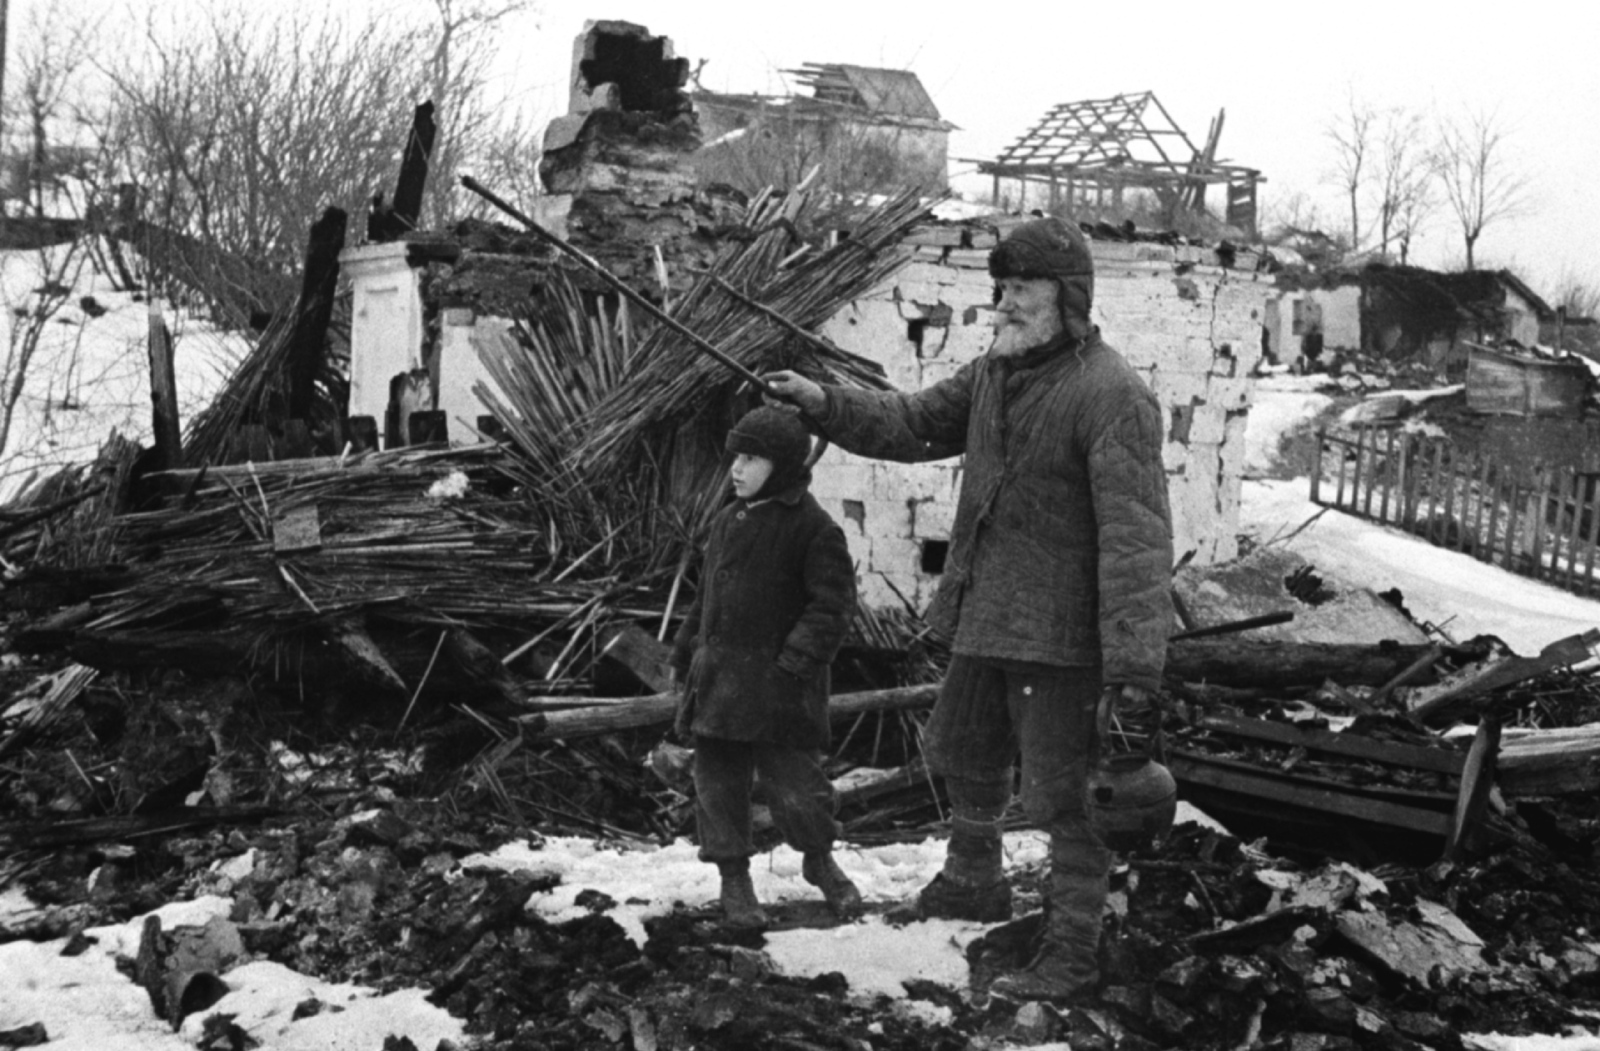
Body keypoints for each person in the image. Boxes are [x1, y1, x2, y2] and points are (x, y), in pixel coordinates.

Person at [763, 216, 1173, 1002]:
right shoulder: (994, 373)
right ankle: (971, 881)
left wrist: (1133, 667)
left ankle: (1071, 951)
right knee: (967, 752)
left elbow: (1137, 539)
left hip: (1063, 637)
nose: (1005, 302)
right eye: (1002, 287)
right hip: (987, 611)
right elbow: (911, 423)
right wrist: (820, 403)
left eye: (1023, 288)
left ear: (1070, 296)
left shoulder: (1114, 395)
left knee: (1068, 797)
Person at [670, 405, 863, 929]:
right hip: (720, 683)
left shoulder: (814, 528)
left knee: (799, 789)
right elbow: (707, 595)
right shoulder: (730, 518)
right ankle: (734, 880)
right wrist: (687, 649)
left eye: (751, 457)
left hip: (780, 689)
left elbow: (831, 607)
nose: (736, 467)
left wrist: (793, 664)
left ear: (781, 464)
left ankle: (820, 861)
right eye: (736, 454)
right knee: (718, 787)